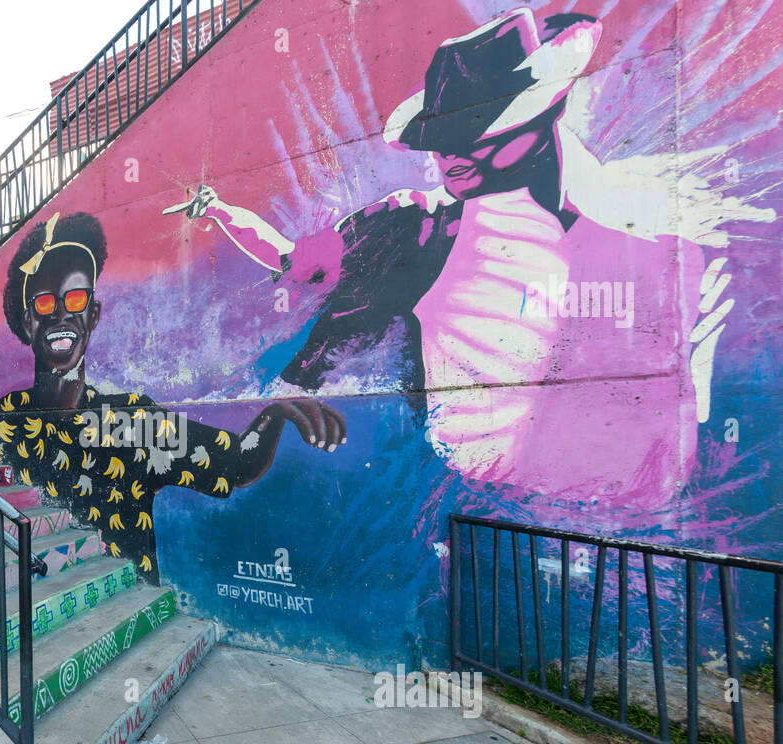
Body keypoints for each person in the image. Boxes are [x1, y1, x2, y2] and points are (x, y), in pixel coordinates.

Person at [166, 8, 723, 509]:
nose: (449, 152)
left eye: (469, 131)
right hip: (474, 508)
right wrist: (221, 211)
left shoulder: (643, 238)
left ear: (537, 118)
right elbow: (294, 260)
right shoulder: (414, 224)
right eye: (442, 135)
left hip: (616, 525)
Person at [0, 211, 346, 583]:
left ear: (93, 315)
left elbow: (237, 463)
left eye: (76, 299)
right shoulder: (4, 421)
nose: (61, 314)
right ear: (29, 321)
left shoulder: (134, 422)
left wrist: (275, 414)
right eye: (46, 303)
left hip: (128, 593)